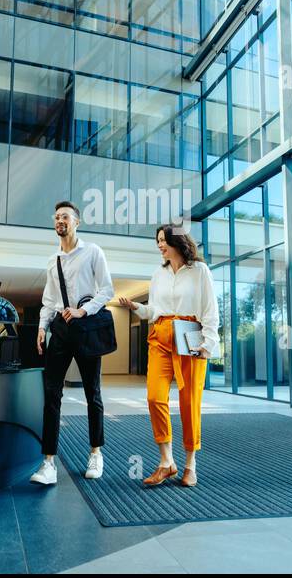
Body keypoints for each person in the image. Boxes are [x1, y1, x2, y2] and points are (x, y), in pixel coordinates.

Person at [117, 224, 219, 488]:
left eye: (163, 240)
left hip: (190, 336)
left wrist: (207, 343)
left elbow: (210, 310)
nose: (159, 245)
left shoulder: (199, 271)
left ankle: (190, 465)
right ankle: (166, 462)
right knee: (154, 396)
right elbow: (154, 310)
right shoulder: (158, 273)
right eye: (158, 241)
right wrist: (137, 307)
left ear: (177, 241)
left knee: (190, 401)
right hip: (161, 336)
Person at [30, 200, 114, 485]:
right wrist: (42, 328)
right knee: (52, 393)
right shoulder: (52, 260)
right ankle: (48, 462)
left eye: (64, 216)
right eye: (56, 217)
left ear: (77, 221)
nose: (59, 220)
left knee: (93, 393)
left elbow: (107, 290)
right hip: (61, 330)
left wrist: (84, 310)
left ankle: (96, 453)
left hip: (87, 327)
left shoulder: (93, 252)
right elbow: (49, 301)